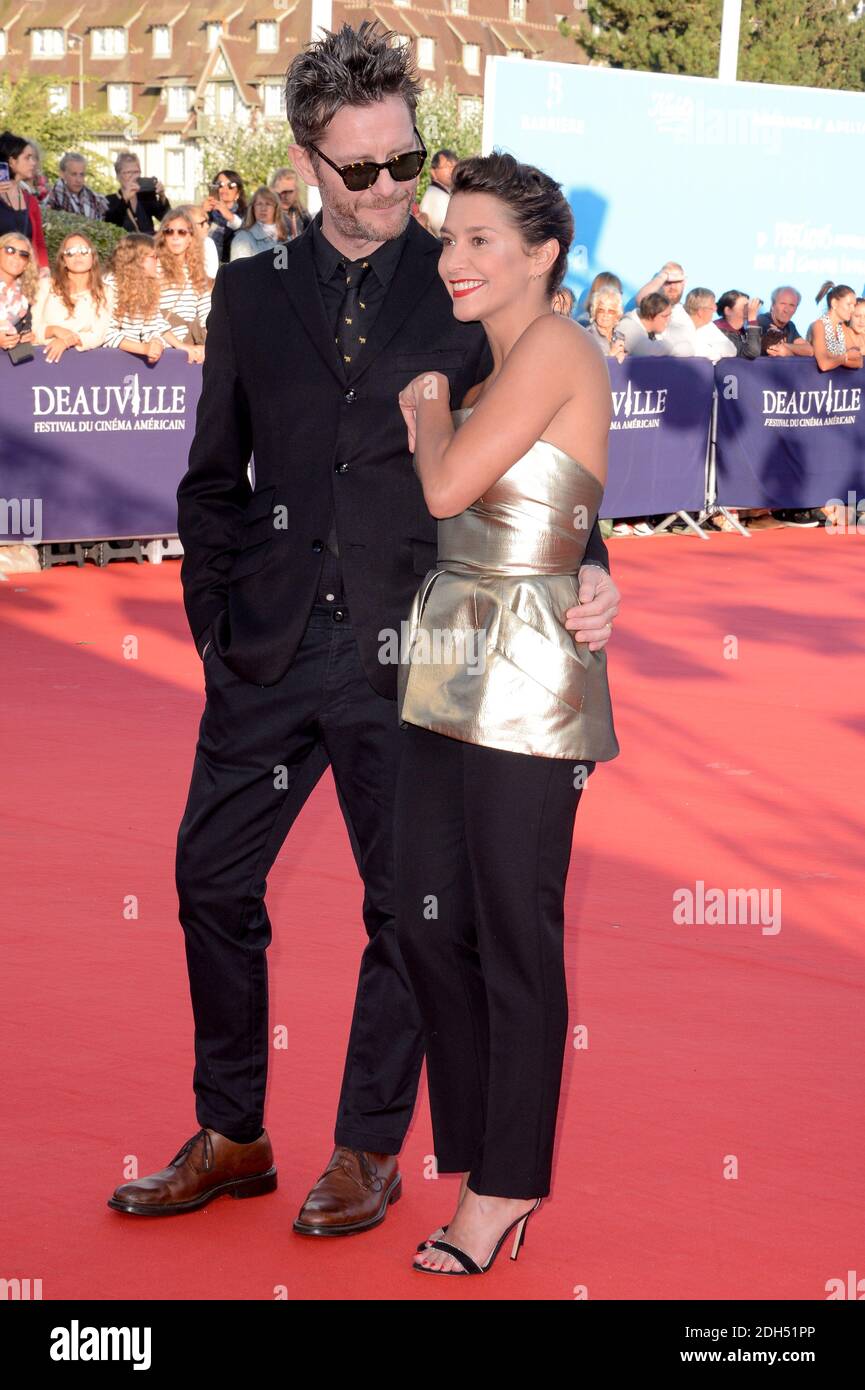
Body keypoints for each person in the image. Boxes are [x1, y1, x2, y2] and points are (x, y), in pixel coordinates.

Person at [106, 19, 620, 1236]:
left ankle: (367, 1145)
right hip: (271, 649)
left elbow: (546, 442)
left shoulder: (463, 283)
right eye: (361, 169)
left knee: (411, 908)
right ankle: (233, 1127)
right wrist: (216, 628)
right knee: (209, 879)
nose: (392, 189)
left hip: (424, 650)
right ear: (303, 164)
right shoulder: (247, 291)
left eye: (407, 161)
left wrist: (591, 567)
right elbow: (209, 478)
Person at [394, 152, 619, 1277]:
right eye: (450, 239)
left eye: (483, 239)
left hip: (529, 671)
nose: (456, 259)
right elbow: (558, 500)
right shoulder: (482, 361)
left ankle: (505, 1182)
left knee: (516, 930)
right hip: (444, 657)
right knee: (426, 914)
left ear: (544, 255)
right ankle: (486, 1150)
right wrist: (602, 563)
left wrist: (429, 414)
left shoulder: (556, 347)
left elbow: (446, 489)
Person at [31, 232, 112, 361]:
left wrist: (66, 342)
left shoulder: (105, 292)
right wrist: (54, 330)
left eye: (84, 250)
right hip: (42, 360)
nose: (78, 255)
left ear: (93, 257)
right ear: (63, 260)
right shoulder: (45, 286)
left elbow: (99, 334)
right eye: (70, 252)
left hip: (84, 365)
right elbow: (32, 329)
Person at [154, 207, 212, 363]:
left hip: (191, 348)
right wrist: (179, 345)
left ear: (191, 238)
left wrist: (209, 346)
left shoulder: (197, 271)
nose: (175, 237)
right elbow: (149, 314)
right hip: (161, 348)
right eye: (169, 232)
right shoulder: (154, 268)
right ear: (163, 236)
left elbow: (207, 316)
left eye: (182, 232)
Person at [103, 234, 169, 361]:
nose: (158, 262)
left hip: (135, 360)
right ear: (137, 259)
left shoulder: (149, 287)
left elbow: (151, 327)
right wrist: (144, 349)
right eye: (154, 257)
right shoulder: (110, 286)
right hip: (109, 362)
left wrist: (156, 342)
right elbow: (106, 333)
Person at [0, 132, 49, 270]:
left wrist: (44, 271)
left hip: (23, 278)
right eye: (27, 158)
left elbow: (39, 244)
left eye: (33, 158)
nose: (33, 163)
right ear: (12, 161)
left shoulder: (31, 201)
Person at [634, 260, 694, 353]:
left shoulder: (684, 314)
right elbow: (641, 300)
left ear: (684, 282)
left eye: (677, 282)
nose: (673, 287)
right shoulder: (651, 306)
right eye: (668, 282)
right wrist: (663, 276)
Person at [103, 152, 170, 235]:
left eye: (136, 172)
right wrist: (124, 200)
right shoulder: (109, 200)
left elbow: (167, 219)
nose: (134, 176)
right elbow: (111, 226)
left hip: (148, 245)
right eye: (128, 172)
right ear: (118, 176)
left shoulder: (146, 195)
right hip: (125, 246)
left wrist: (162, 196)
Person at [809, 284, 862, 372]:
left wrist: (835, 358)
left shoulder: (842, 327)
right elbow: (824, 365)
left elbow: (859, 362)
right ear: (834, 303)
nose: (853, 310)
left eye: (854, 305)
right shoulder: (819, 325)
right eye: (849, 304)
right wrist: (846, 356)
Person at [0, 231, 38, 350]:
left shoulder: (27, 294)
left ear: (27, 263)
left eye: (23, 254)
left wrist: (29, 336)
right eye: (10, 250)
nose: (17, 257)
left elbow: (26, 328)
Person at [229, 186, 289, 259]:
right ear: (253, 208)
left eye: (268, 204)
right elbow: (238, 269)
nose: (263, 208)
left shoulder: (286, 238)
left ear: (276, 208)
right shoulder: (242, 238)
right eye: (259, 204)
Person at [46, 152, 109, 220]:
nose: (78, 180)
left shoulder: (96, 200)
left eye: (81, 174)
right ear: (62, 174)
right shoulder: (52, 198)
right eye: (74, 174)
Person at [614, 291, 679, 356]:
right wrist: (677, 343)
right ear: (650, 316)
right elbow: (651, 351)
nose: (669, 320)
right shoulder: (628, 327)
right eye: (665, 316)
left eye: (670, 315)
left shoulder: (655, 329)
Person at [757, 285, 813, 357]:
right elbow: (772, 349)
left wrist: (786, 346)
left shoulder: (790, 326)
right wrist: (791, 352)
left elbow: (809, 350)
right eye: (782, 304)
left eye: (792, 305)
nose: (786, 310)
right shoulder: (762, 320)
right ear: (773, 305)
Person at [204, 170, 246, 262]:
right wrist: (201, 213)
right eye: (220, 184)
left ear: (238, 193)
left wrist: (229, 216)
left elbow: (244, 229)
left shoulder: (245, 212)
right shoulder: (206, 211)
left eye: (231, 185)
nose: (225, 189)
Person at [684, 287, 735, 363]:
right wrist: (714, 353)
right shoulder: (680, 324)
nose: (715, 309)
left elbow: (731, 350)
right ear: (700, 311)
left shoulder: (709, 326)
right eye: (712, 307)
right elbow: (685, 350)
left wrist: (710, 351)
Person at [419, 147, 457, 236]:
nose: (452, 170)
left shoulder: (443, 193)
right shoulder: (436, 195)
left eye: (454, 166)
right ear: (433, 172)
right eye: (447, 166)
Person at [714, 290, 762, 358]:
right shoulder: (717, 332)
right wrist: (752, 319)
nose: (749, 309)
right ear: (728, 311)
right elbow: (752, 352)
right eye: (745, 306)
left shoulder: (743, 332)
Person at [583, 285, 626, 361]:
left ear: (617, 315)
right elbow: (588, 364)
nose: (605, 315)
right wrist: (610, 356)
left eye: (611, 311)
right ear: (595, 312)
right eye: (601, 310)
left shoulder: (620, 337)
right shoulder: (587, 336)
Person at [269, 166, 312, 239]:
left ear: (296, 191)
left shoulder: (303, 216)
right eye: (282, 191)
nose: (285, 196)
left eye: (290, 191)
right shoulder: (266, 216)